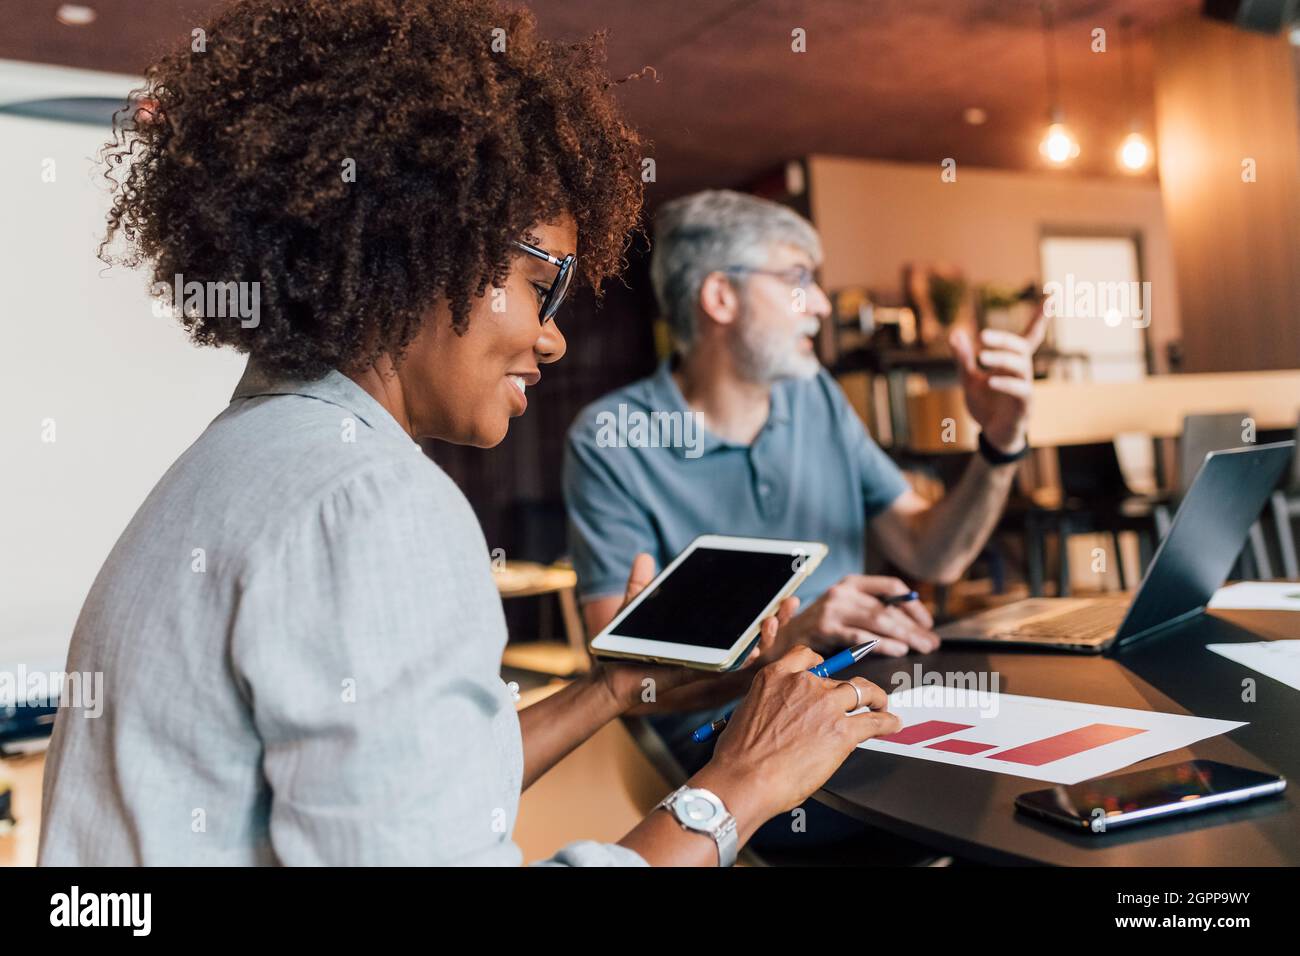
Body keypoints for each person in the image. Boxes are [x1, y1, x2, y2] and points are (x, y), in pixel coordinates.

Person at [37, 0, 902, 867]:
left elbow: (399, 793)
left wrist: (610, 689)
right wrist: (743, 782)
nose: (555, 336)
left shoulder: (240, 460)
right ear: (428, 248)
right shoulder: (374, 505)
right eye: (543, 285)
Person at [565, 189, 1045, 775]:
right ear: (720, 296)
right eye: (797, 278)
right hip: (729, 751)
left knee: (1031, 746)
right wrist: (793, 640)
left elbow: (931, 552)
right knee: (973, 792)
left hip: (860, 704)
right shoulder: (612, 437)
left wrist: (998, 444)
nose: (820, 302)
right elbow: (630, 689)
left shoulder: (816, 397)